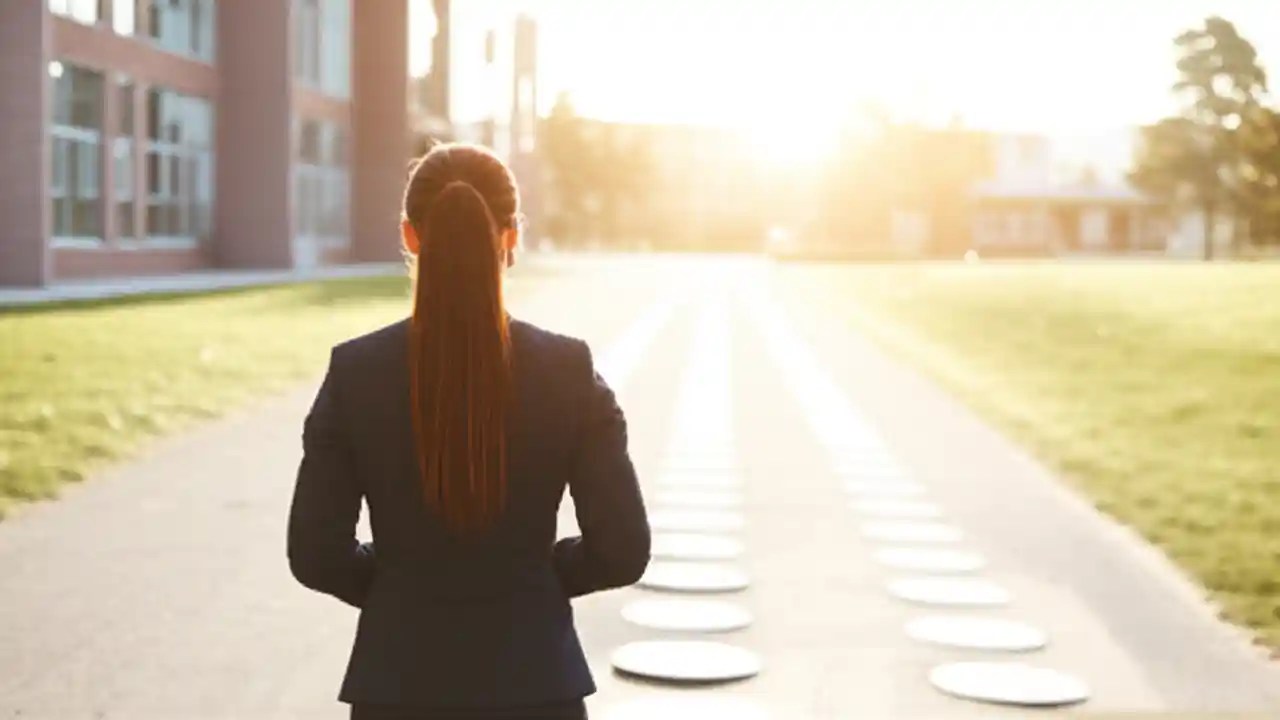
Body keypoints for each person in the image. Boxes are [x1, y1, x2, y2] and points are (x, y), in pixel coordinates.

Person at [287, 143, 650, 720]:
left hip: (398, 689)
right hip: (537, 687)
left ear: (410, 236)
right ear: (512, 237)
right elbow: (623, 551)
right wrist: (537, 576)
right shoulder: (568, 369)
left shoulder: (356, 371)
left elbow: (315, 554)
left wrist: (401, 586)